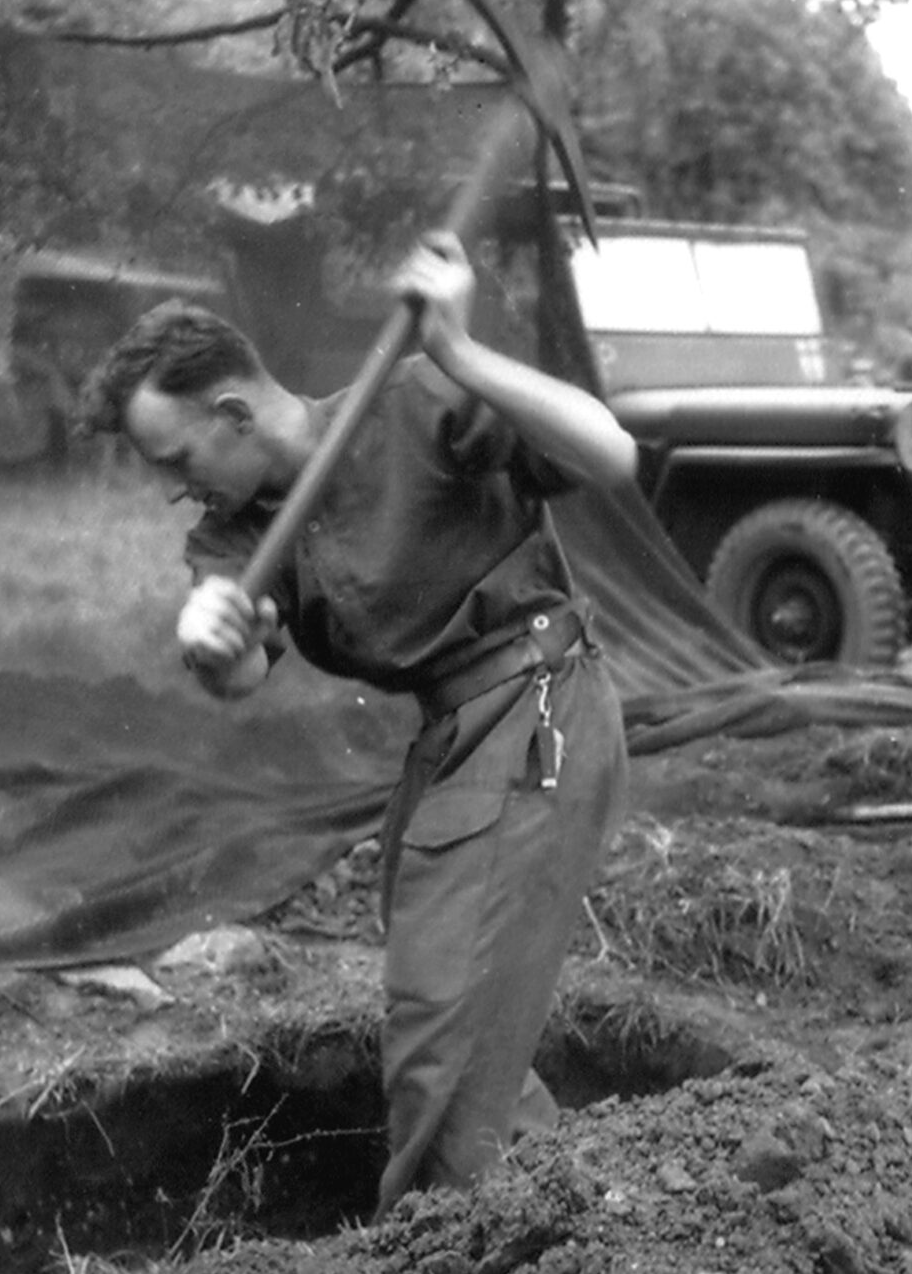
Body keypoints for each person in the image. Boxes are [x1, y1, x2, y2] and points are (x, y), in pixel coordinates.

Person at [77, 231, 635, 1216]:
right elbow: (242, 663)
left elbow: (610, 451)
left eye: (175, 455)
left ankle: (453, 1263)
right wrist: (209, 643)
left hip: (537, 711)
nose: (174, 484)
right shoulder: (240, 530)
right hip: (454, 740)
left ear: (234, 411)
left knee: (443, 1025)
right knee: (450, 1006)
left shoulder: (415, 401)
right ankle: (551, 1223)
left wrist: (462, 352)